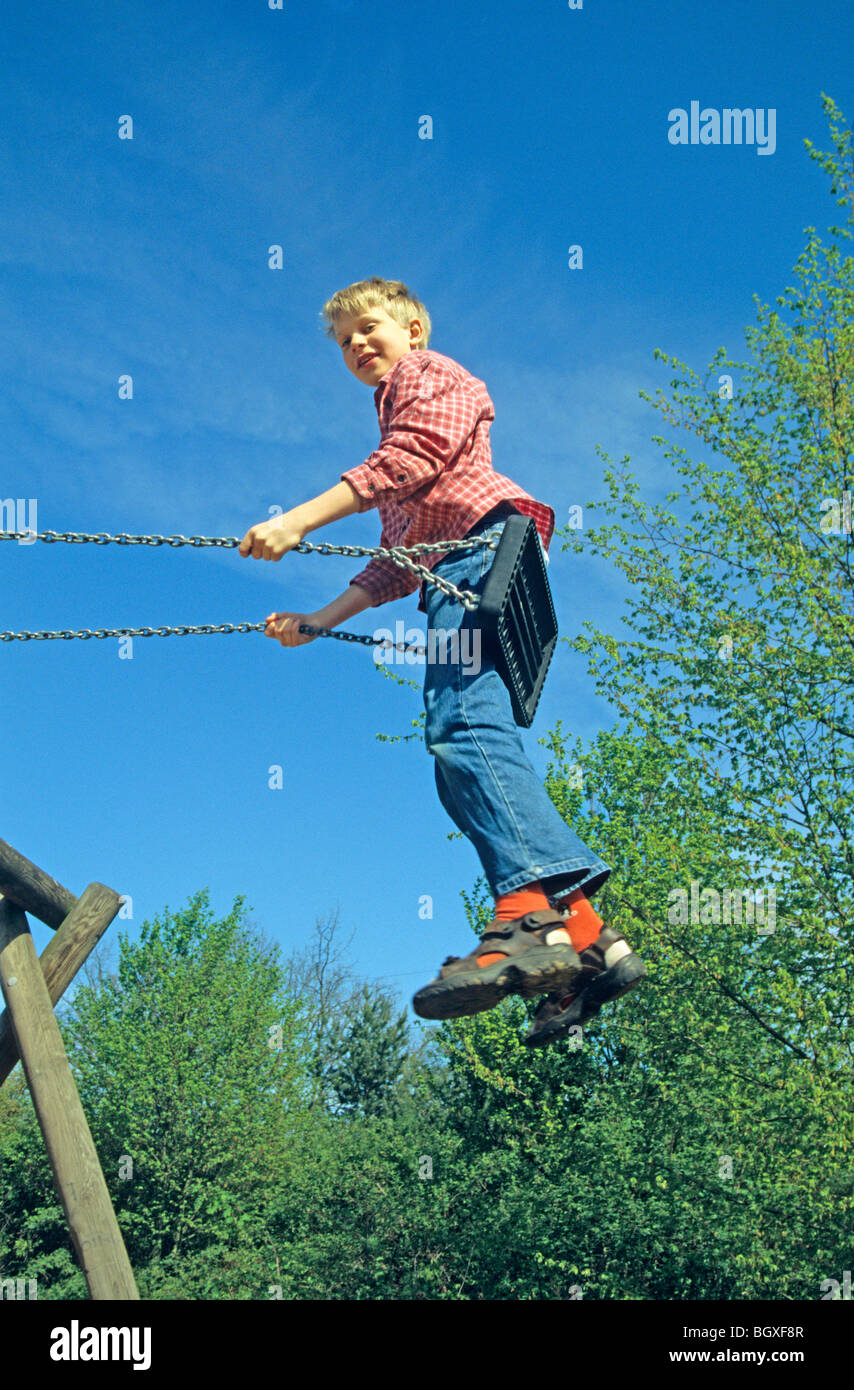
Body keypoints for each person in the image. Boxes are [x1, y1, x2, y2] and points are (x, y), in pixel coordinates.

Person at [238, 277, 644, 1044]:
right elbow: (398, 559)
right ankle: (588, 937)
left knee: (463, 727)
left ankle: (530, 913)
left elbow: (409, 459)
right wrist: (318, 621)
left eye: (370, 327)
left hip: (482, 554)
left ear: (413, 326)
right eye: (346, 341)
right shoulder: (392, 418)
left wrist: (294, 520)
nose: (359, 345)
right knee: (453, 753)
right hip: (454, 566)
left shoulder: (429, 379)